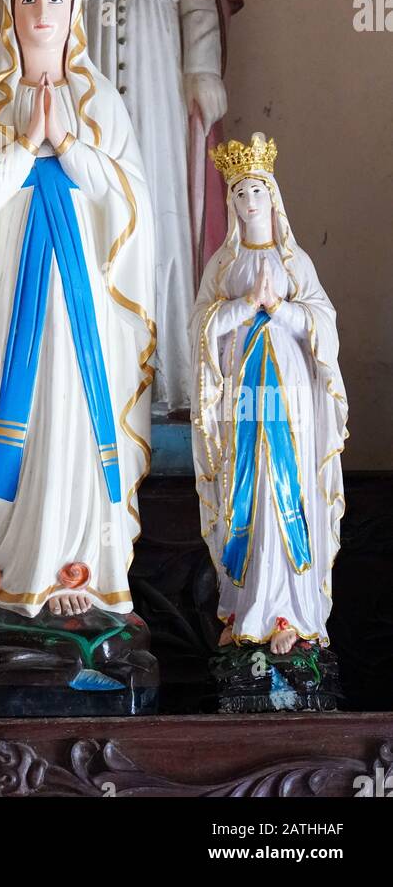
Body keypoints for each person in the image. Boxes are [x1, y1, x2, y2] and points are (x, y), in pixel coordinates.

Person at [7, 0, 242, 409]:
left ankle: (168, 379)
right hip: (85, 75)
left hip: (162, 72)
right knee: (90, 208)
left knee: (163, 206)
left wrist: (202, 67)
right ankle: (91, 381)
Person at [0, 0, 156, 619]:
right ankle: (2, 566)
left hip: (84, 301)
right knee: (12, 408)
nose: (41, 14)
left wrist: (70, 144)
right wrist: (20, 150)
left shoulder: (102, 104)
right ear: (11, 13)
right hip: (9, 301)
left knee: (79, 412)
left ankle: (80, 569)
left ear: (73, 14)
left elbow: (135, 206)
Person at [190, 133, 348, 652]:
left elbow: (323, 325)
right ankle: (247, 607)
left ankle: (294, 613)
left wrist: (279, 309)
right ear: (231, 204)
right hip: (241, 399)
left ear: (273, 196)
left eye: (257, 190)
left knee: (289, 485)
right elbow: (201, 329)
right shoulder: (223, 265)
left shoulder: (296, 261)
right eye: (238, 193)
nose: (249, 201)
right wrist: (243, 306)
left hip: (291, 403)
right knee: (248, 487)